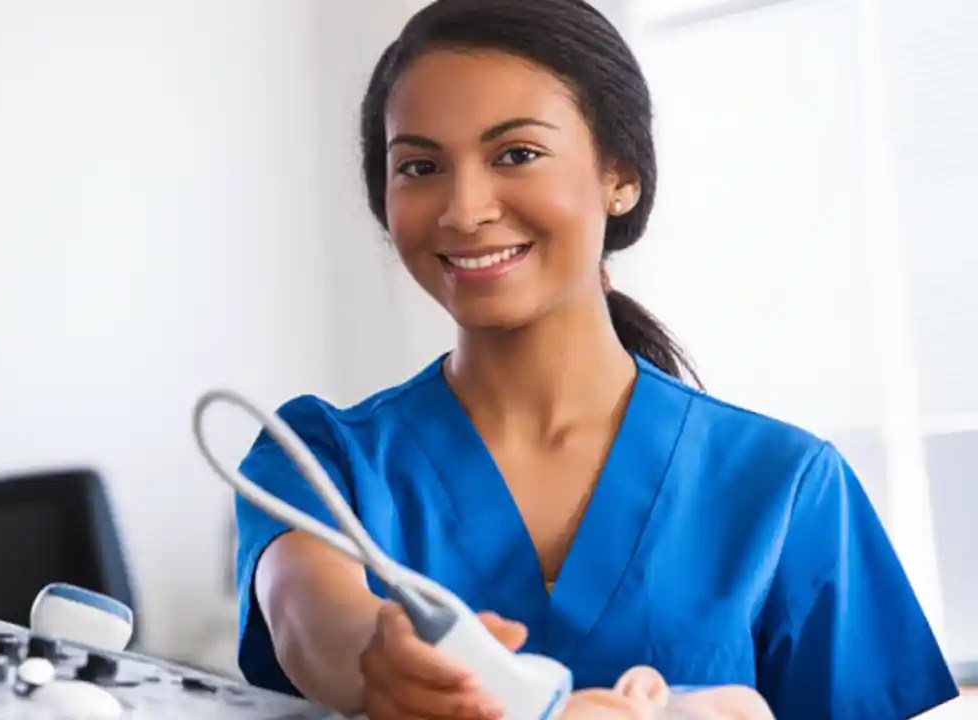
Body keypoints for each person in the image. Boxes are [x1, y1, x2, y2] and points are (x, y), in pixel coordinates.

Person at [232, 0, 959, 718]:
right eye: (420, 167)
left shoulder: (786, 486)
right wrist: (377, 656)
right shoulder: (316, 458)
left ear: (620, 175)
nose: (463, 208)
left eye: (516, 154)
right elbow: (306, 615)